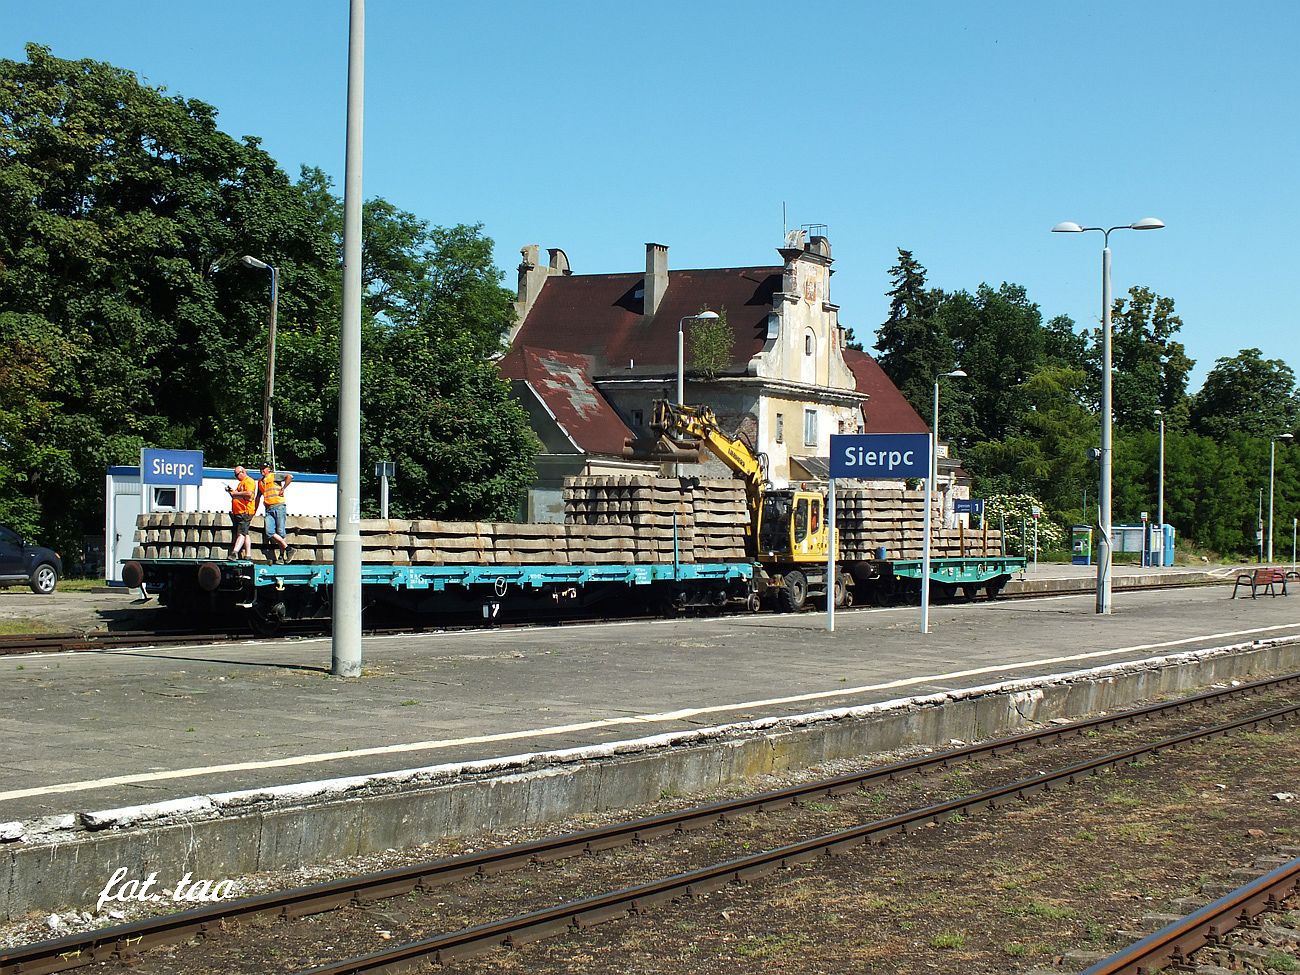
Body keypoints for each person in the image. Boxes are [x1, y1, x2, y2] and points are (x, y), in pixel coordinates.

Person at [256, 462, 294, 562]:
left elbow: (289, 477)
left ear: (269, 469)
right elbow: (258, 497)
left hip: (279, 506)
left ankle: (281, 556)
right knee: (269, 532)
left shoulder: (274, 476)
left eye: (264, 468)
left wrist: (283, 488)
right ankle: (288, 549)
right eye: (260, 468)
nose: (262, 470)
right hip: (268, 509)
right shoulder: (260, 482)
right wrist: (254, 510)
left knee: (281, 532)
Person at [225, 465, 257, 560]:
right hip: (239, 512)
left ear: (243, 472)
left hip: (245, 511)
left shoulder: (249, 481)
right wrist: (232, 492)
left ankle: (234, 553)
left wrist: (235, 493)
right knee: (245, 533)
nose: (236, 477)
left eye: (237, 474)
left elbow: (249, 494)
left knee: (241, 534)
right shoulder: (241, 483)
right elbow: (238, 496)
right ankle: (248, 554)